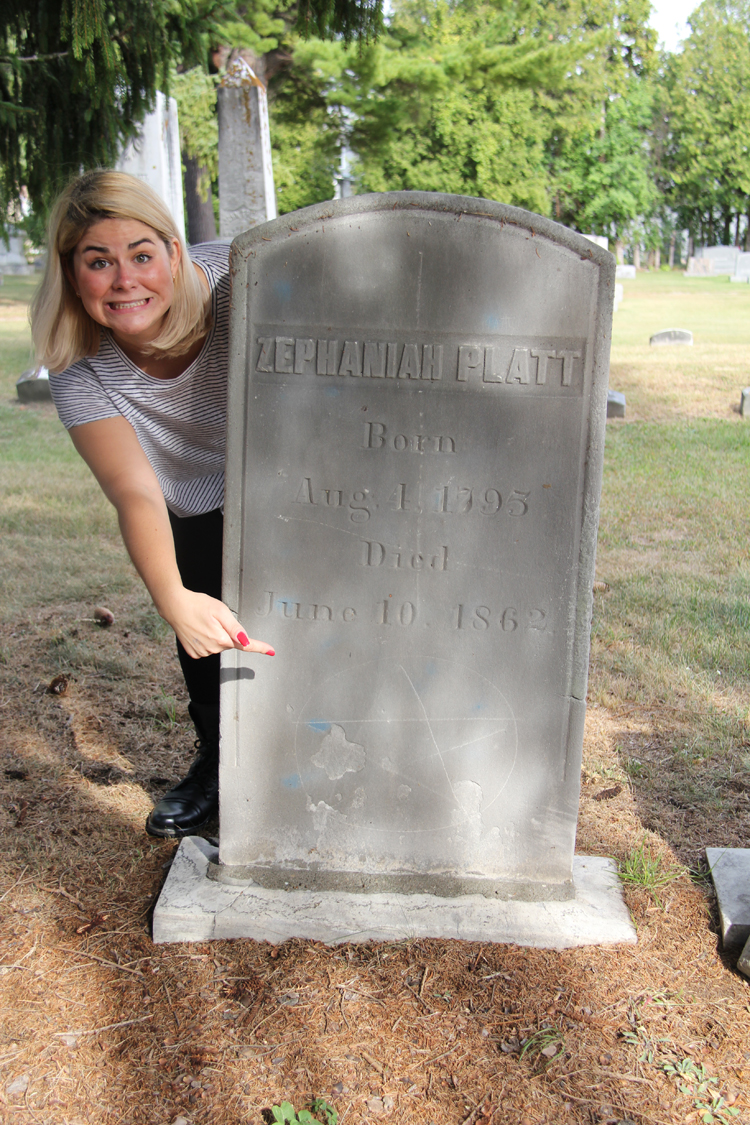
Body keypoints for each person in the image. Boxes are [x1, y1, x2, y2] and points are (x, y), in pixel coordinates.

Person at [31, 169, 273, 838]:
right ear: (71, 274)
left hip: (287, 476)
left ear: (174, 250)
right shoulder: (77, 363)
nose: (125, 278)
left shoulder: (239, 281)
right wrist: (172, 597)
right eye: (97, 262)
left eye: (141, 253)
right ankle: (218, 762)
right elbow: (134, 490)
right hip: (190, 493)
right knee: (200, 616)